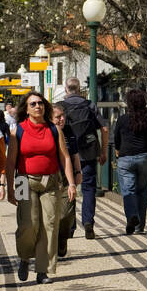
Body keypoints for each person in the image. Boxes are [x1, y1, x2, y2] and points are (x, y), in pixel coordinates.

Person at [6, 92, 78, 284]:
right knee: (28, 223)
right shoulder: (17, 131)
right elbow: (10, 162)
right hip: (23, 180)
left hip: (51, 181)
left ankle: (42, 270)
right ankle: (24, 257)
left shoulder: (54, 130)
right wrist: (10, 188)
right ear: (26, 109)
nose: (37, 106)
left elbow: (65, 157)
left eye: (40, 103)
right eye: (33, 104)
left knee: (49, 224)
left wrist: (71, 183)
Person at [58, 77, 107, 240]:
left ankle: (70, 227)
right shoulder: (90, 105)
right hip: (88, 152)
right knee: (88, 189)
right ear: (79, 90)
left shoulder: (61, 107)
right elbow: (105, 128)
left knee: (68, 187)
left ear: (66, 89)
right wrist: (103, 151)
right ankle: (88, 223)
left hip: (68, 153)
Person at [113, 88, 147, 235]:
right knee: (142, 191)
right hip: (144, 159)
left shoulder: (122, 120)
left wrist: (118, 153)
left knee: (129, 191)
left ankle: (132, 216)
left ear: (129, 103)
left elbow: (117, 140)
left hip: (125, 159)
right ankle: (139, 226)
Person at [51, 103, 80, 258]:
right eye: (58, 117)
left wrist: (78, 172)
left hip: (66, 177)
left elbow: (74, 154)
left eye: (63, 116)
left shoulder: (68, 131)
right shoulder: (47, 131)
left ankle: (62, 238)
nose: (62, 119)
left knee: (66, 214)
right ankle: (49, 247)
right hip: (49, 177)